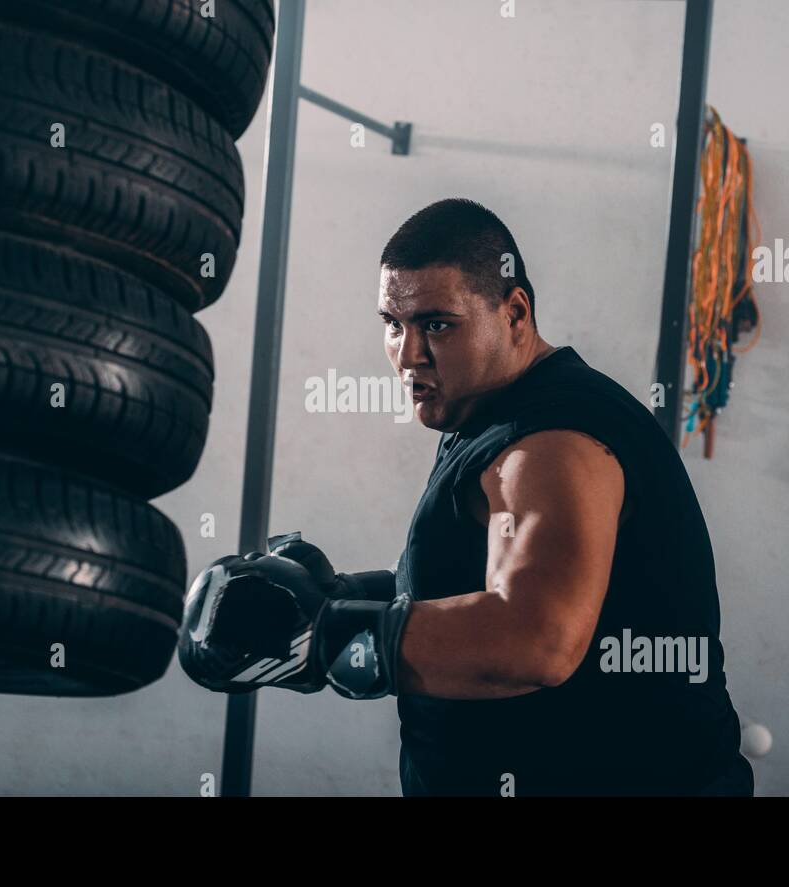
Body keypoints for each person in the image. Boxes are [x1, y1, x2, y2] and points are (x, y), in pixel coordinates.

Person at [180, 198, 752, 797]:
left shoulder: (551, 445)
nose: (408, 355)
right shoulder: (489, 416)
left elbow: (537, 639)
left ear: (515, 313)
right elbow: (481, 588)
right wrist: (342, 597)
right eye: (393, 324)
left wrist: (325, 639)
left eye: (437, 324)